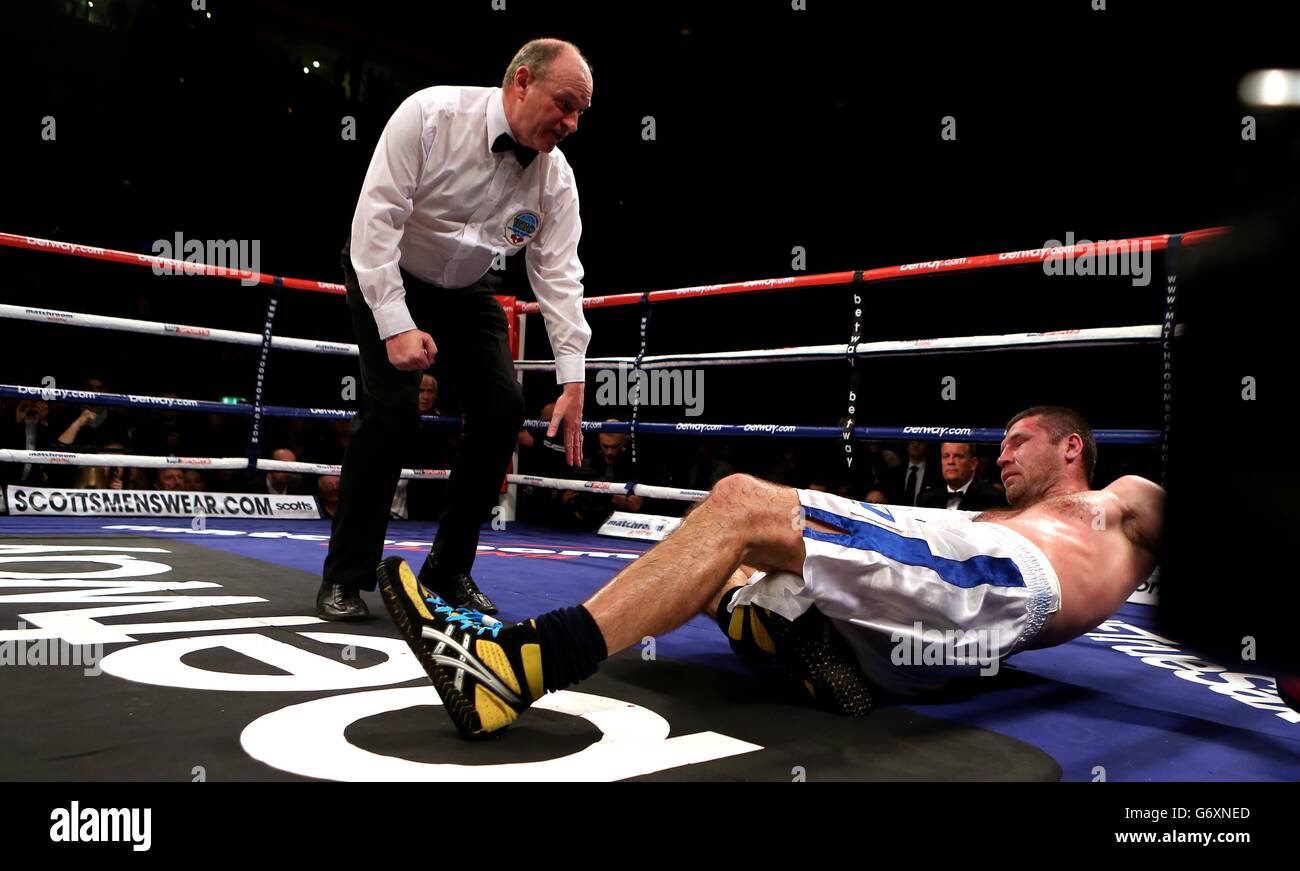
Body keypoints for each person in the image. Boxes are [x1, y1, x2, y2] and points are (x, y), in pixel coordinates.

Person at [378, 405, 1165, 739]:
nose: (1001, 453)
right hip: (940, 633)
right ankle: (805, 642)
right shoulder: (998, 512)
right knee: (735, 553)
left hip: (1001, 584)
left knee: (740, 504)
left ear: (1071, 447)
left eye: (1019, 439)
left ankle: (517, 666)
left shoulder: (1116, 500)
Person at [317, 39, 594, 621]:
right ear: (521, 82)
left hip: (466, 287)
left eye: (580, 114)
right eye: (564, 105)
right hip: (386, 265)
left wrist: (573, 380)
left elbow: (559, 275)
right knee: (391, 411)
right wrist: (395, 323)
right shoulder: (429, 114)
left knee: (502, 406)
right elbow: (375, 221)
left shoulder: (555, 180)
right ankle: (346, 575)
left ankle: (447, 572)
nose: (570, 124)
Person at [918, 441, 1007, 511]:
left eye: (958, 456)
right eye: (946, 456)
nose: (950, 462)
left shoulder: (993, 498)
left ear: (973, 463)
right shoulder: (928, 497)